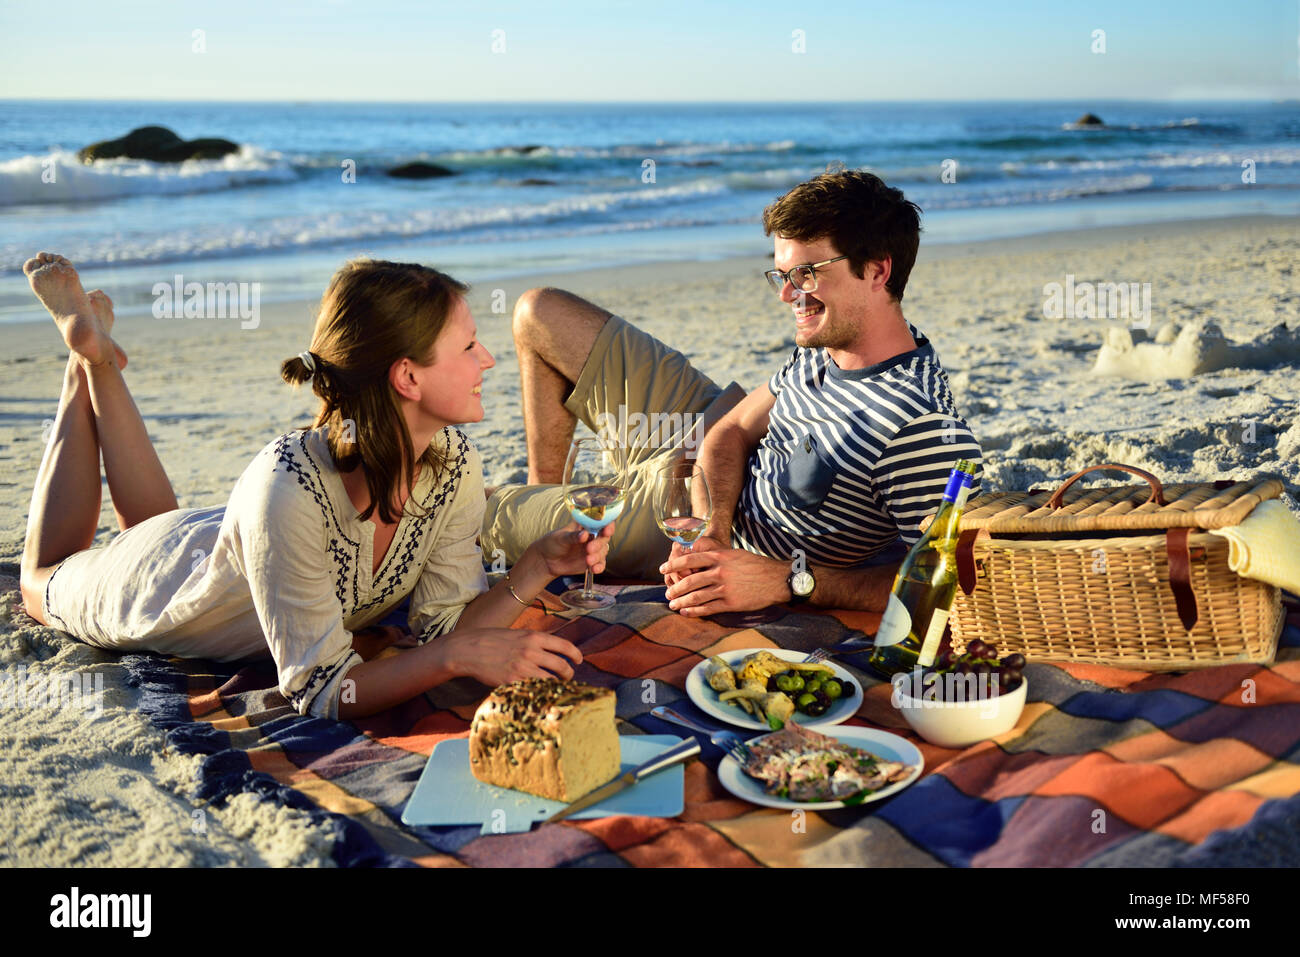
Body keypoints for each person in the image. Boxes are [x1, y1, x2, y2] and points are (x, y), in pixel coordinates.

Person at [18, 254, 611, 720]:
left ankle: (98, 360)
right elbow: (324, 692)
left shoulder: (451, 462)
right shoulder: (287, 486)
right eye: (467, 345)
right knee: (41, 580)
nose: (487, 360)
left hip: (222, 545)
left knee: (152, 523)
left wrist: (533, 566)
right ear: (406, 376)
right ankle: (87, 364)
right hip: (158, 594)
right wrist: (451, 658)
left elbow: (443, 629)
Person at [480, 168, 982, 616]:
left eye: (806, 274)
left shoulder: (919, 427)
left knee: (472, 510)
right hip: (705, 469)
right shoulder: (830, 343)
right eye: (782, 275)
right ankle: (543, 489)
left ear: (876, 270)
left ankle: (538, 520)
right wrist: (711, 524)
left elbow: (951, 582)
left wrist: (789, 581)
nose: (787, 295)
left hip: (673, 521)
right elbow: (734, 428)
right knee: (539, 312)